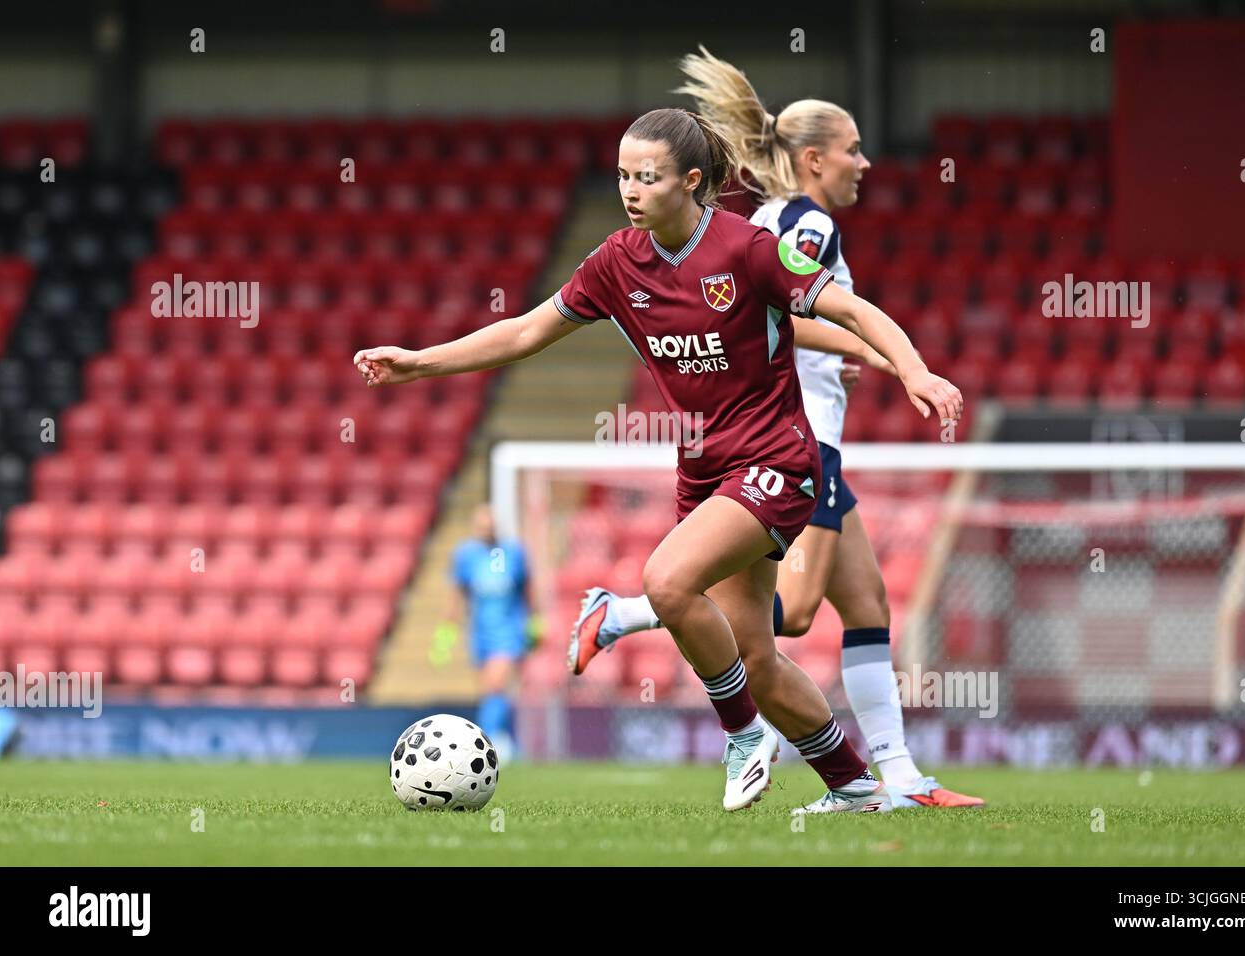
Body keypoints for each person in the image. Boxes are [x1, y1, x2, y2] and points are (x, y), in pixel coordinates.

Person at [356, 105, 962, 813]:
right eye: (621, 176)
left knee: (668, 581)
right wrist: (419, 363)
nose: (630, 190)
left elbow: (853, 311)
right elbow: (525, 332)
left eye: (647, 177)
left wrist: (914, 370)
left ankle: (740, 736)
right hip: (704, 471)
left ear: (692, 181)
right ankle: (854, 784)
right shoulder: (617, 262)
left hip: (778, 460)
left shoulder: (748, 249)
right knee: (758, 658)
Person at [567, 47, 982, 810]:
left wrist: (866, 353)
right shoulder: (806, 224)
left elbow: (775, 309)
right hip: (795, 441)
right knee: (778, 620)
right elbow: (804, 308)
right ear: (815, 158)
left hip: (784, 441)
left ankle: (887, 781)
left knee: (863, 610)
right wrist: (884, 357)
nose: (863, 162)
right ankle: (629, 612)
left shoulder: (759, 223)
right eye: (854, 149)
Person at [441, 504, 538, 760]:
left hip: (509, 631)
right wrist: (444, 638)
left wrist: (535, 622)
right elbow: (457, 595)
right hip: (480, 632)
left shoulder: (513, 552)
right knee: (490, 690)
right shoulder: (466, 555)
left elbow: (527, 587)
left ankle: (484, 744)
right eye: (482, 526)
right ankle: (507, 744)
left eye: (490, 525)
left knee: (496, 685)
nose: (487, 530)